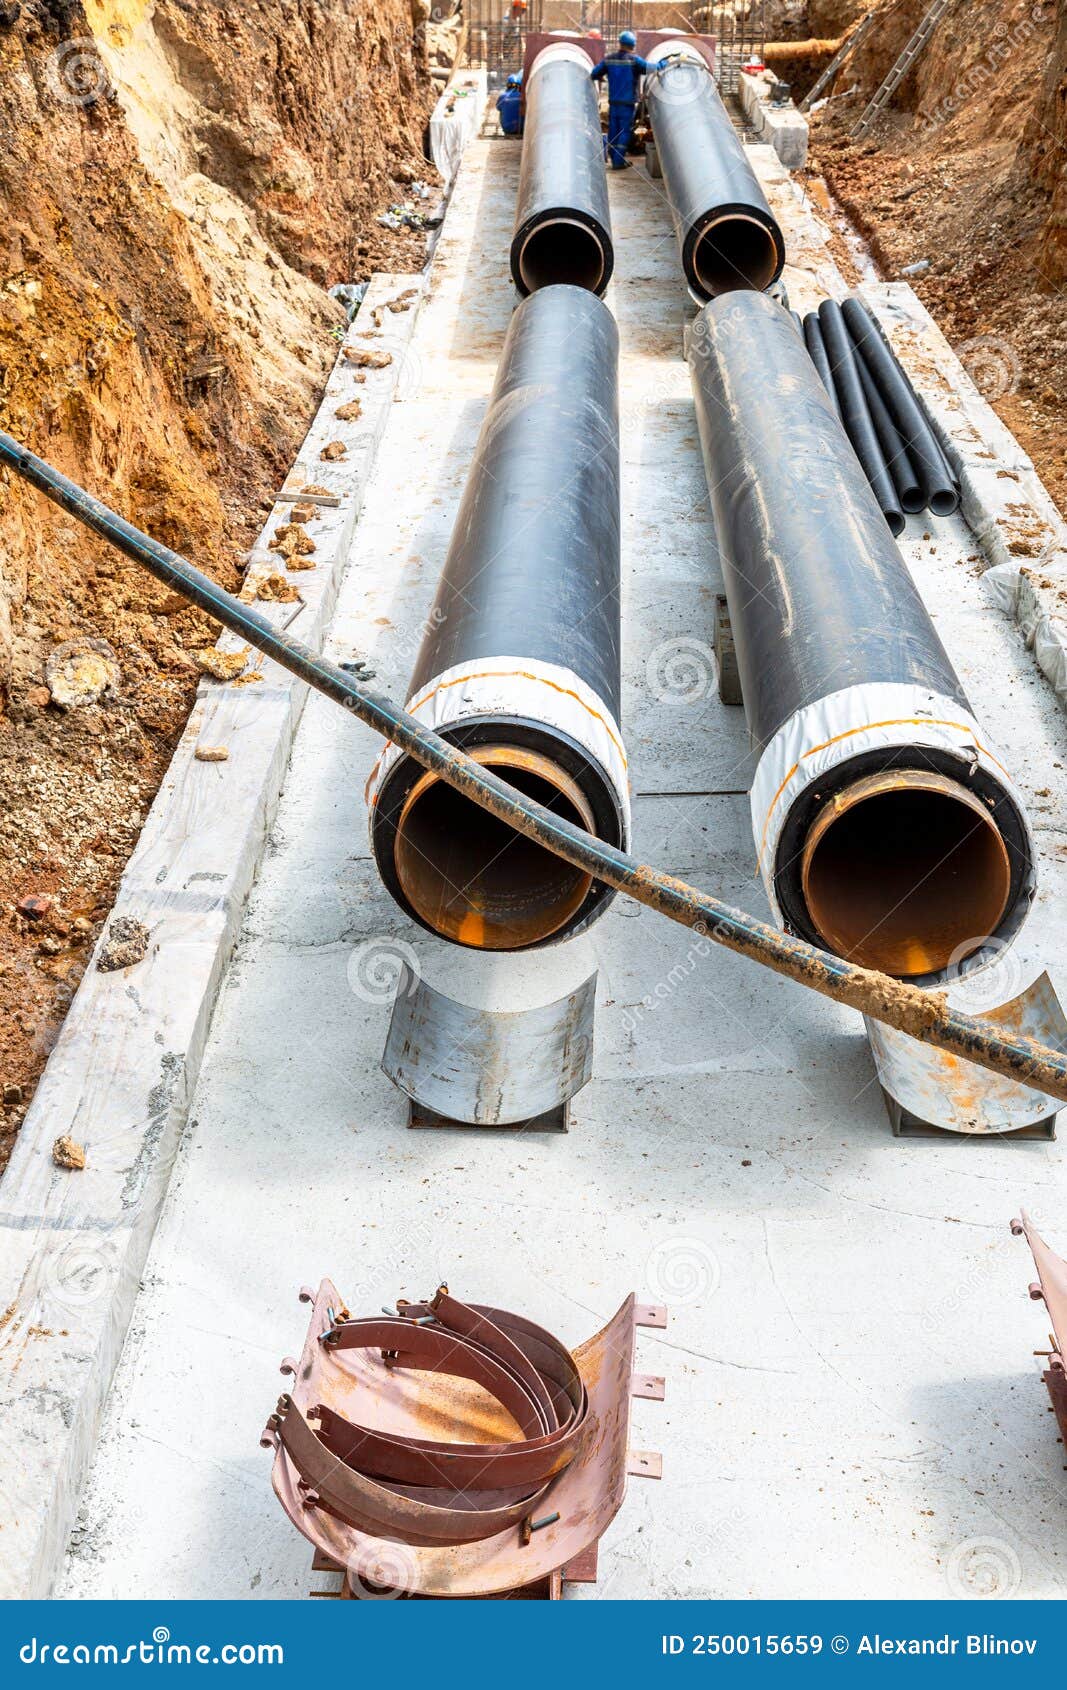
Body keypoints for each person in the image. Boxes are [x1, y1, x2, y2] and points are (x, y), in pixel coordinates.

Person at [590, 30, 650, 170]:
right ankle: (618, 162)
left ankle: (613, 157)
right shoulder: (634, 60)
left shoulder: (610, 59)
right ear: (632, 45)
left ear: (620, 43)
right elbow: (650, 68)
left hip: (614, 102)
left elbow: (594, 73)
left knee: (613, 130)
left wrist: (601, 77)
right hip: (627, 104)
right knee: (624, 131)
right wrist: (665, 63)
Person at [497, 72, 523, 137]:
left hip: (507, 129)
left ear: (508, 85)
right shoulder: (523, 97)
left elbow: (498, 107)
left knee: (502, 109)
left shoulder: (503, 97)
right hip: (522, 129)